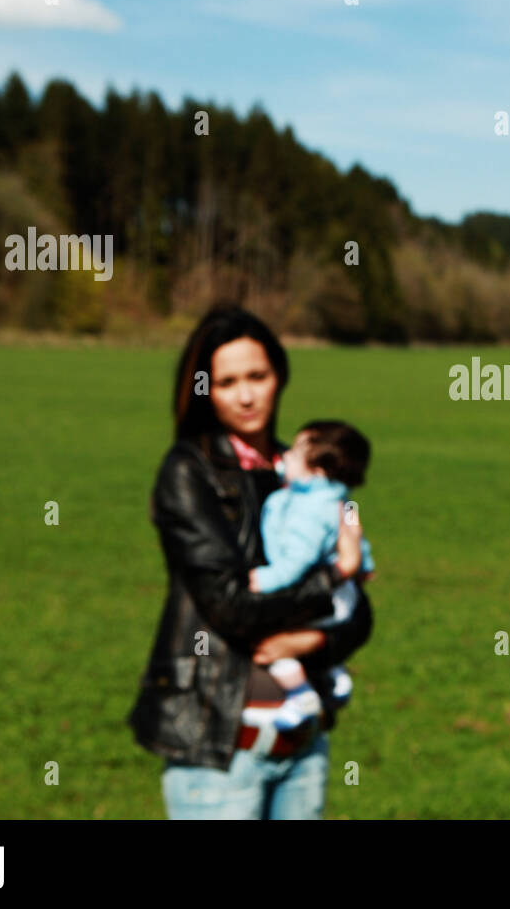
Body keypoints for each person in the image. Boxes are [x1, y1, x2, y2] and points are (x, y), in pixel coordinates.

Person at [127, 304, 373, 819]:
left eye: (257, 376)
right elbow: (232, 606)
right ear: (204, 391)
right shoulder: (189, 473)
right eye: (226, 382)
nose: (245, 395)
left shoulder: (308, 473)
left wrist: (316, 639)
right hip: (220, 755)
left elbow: (360, 611)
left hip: (301, 749)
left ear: (279, 375)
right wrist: (334, 576)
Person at [248, 420, 375, 734]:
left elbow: (296, 562)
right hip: (343, 595)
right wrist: (365, 564)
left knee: (270, 645)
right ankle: (334, 673)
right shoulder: (335, 500)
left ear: (317, 470)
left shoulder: (309, 509)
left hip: (327, 598)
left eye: (295, 450)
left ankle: (300, 694)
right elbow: (358, 540)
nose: (286, 455)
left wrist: (263, 579)